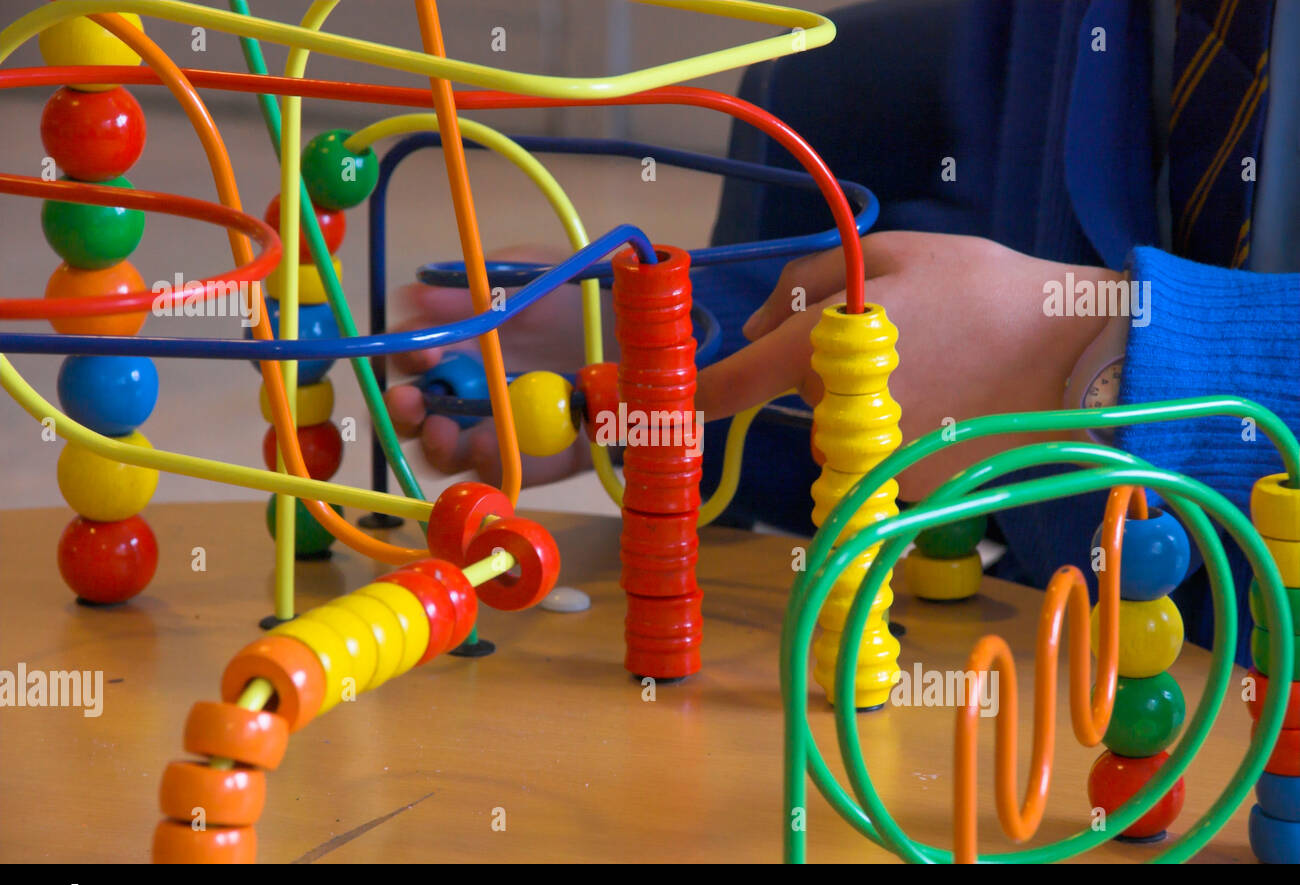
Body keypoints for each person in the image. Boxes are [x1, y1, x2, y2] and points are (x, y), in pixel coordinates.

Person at [384, 0, 1300, 663]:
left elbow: (1029, 336)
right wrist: (674, 362)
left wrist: (1093, 352)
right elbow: (997, 237)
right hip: (1062, 649)